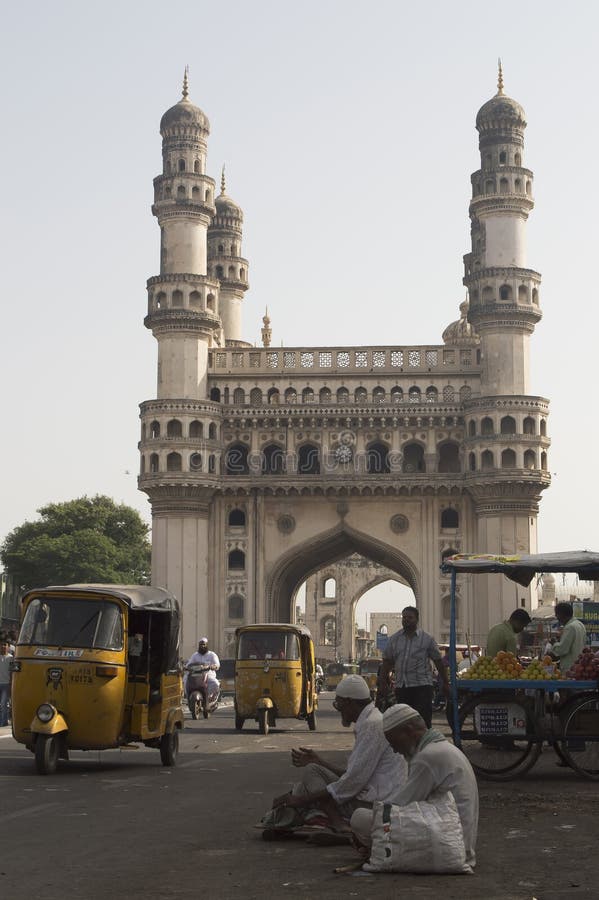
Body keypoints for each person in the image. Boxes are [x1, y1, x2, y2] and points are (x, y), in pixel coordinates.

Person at [272, 674, 407, 834]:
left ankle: (337, 822)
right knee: (312, 771)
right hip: (370, 792)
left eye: (340, 705)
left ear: (350, 703)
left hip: (374, 803)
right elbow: (354, 775)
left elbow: (352, 782)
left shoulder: (372, 726)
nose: (339, 711)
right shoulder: (371, 721)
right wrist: (319, 761)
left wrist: (299, 800)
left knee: (306, 788)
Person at [351, 703, 479, 868]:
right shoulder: (443, 747)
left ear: (409, 730)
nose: (395, 750)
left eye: (394, 742)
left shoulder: (427, 758)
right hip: (459, 840)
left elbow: (397, 807)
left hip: (450, 841)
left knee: (360, 817)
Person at [376, 607, 448, 728]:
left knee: (422, 722)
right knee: (404, 722)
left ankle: (424, 746)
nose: (406, 620)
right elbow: (387, 662)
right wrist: (383, 682)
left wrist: (445, 682)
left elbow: (438, 661)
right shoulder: (394, 639)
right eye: (404, 617)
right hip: (402, 688)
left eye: (410, 617)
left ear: (417, 620)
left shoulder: (427, 639)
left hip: (422, 687)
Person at [550, 602, 587, 673]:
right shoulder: (580, 624)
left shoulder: (570, 627)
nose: (556, 617)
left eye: (557, 614)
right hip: (579, 666)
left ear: (561, 614)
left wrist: (554, 644)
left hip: (570, 668)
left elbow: (562, 649)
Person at [0, 639, 12, 727]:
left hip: (6, 684)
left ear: (8, 647)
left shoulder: (11, 658)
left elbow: (12, 672)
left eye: (5, 645)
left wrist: (11, 683)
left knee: (4, 704)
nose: (3, 646)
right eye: (1, 645)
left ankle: (3, 722)